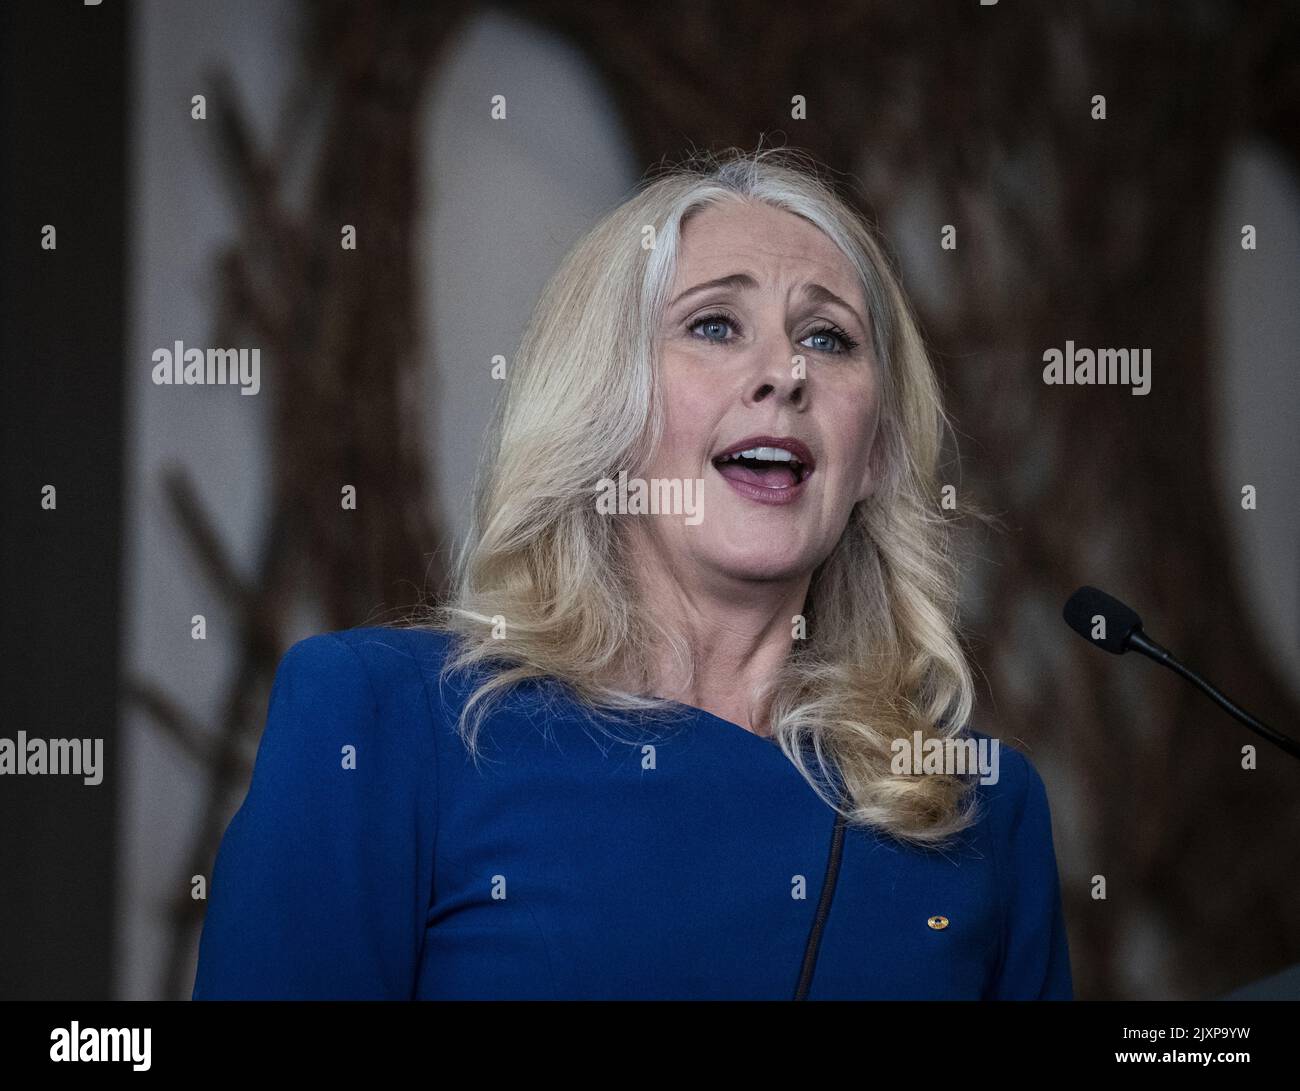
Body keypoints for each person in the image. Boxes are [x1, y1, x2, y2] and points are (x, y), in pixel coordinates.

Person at [192, 146, 1073, 1000]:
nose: (786, 373)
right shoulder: (388, 722)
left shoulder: (976, 809)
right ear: (603, 407)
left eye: (828, 337)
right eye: (715, 324)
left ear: (874, 452)